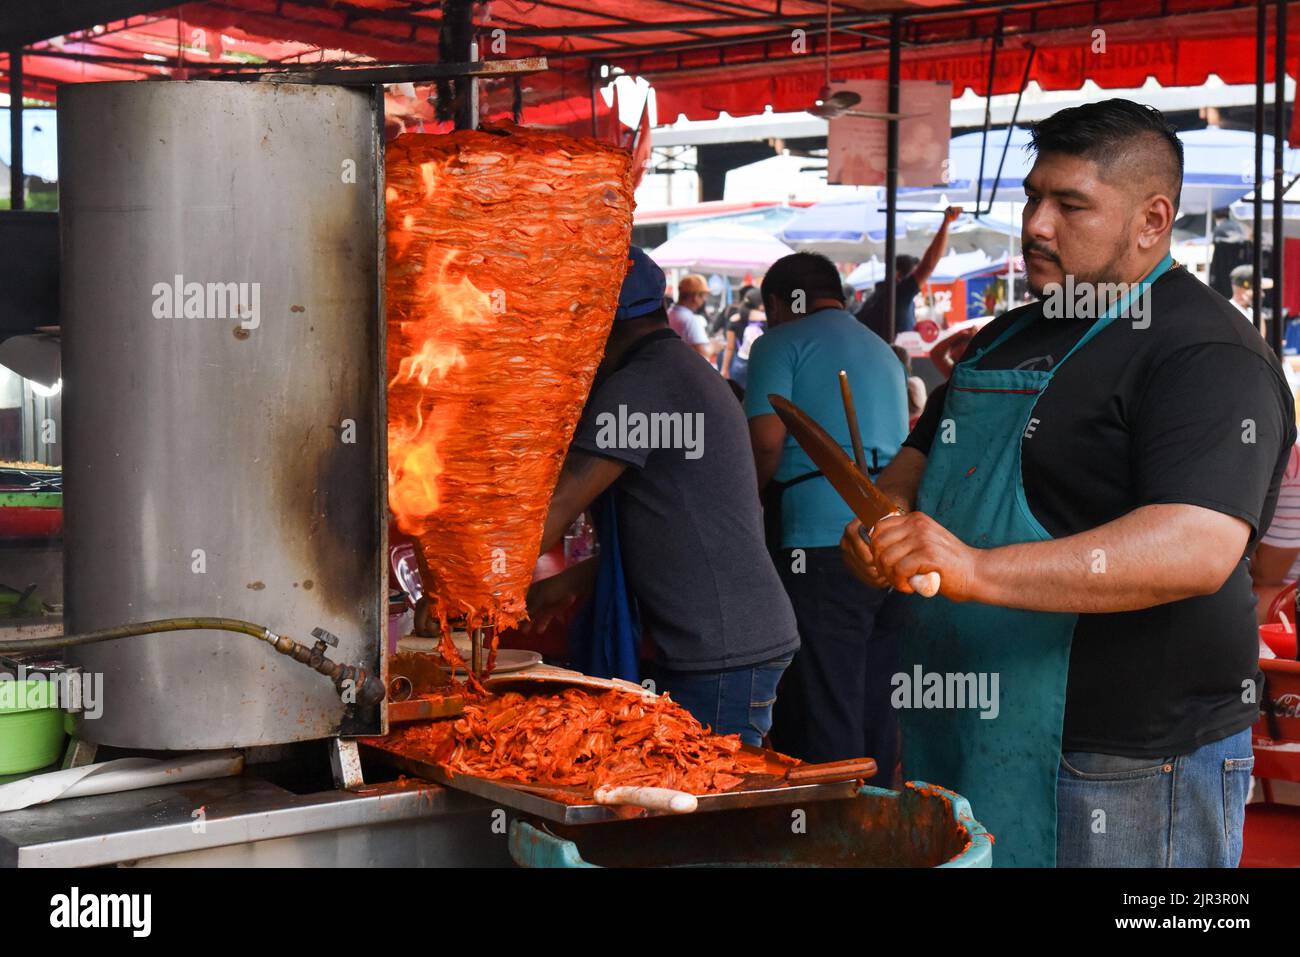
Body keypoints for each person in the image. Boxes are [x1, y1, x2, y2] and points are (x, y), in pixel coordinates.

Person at [840, 99, 1295, 868]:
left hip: (1123, 758)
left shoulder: (1207, 353)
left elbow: (1195, 546)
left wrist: (975, 569)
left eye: (1070, 205)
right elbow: (915, 469)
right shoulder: (1011, 332)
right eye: (1033, 197)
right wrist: (880, 529)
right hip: (963, 722)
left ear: (1153, 220)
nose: (1036, 225)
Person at [528, 247, 799, 744]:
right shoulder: (673, 369)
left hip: (721, 650)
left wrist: (465, 588)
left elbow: (555, 511)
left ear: (598, 323)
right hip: (732, 636)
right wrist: (567, 582)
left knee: (697, 804)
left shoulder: (644, 385)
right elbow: (672, 528)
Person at [744, 252, 910, 768]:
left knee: (825, 701)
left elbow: (766, 444)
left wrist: (746, 502)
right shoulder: (883, 349)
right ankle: (883, 815)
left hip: (820, 547)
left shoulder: (777, 342)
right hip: (892, 543)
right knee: (875, 699)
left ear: (778, 303)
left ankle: (832, 832)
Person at [856, 206, 962, 341]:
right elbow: (928, 265)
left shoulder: (877, 298)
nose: (920, 282)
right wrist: (946, 223)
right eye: (914, 276)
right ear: (898, 275)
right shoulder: (898, 294)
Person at [720, 287, 765, 390]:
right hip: (761, 366)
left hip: (739, 365)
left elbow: (730, 347)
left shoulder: (734, 319)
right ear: (760, 304)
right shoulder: (768, 319)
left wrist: (724, 369)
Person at [668, 274, 713, 359]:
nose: (704, 300)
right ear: (696, 297)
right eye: (703, 296)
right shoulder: (691, 320)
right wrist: (714, 347)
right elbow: (703, 356)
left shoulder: (669, 313)